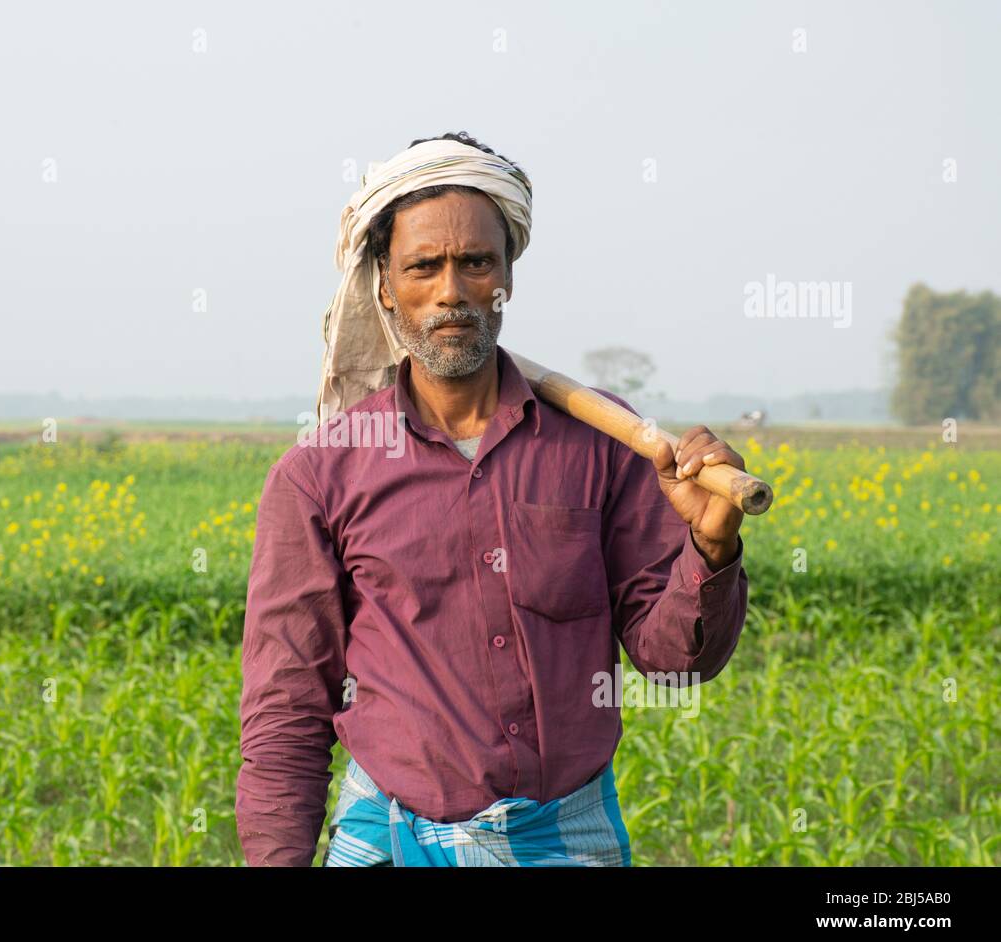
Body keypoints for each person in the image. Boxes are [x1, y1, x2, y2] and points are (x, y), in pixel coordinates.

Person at [235, 132, 749, 867]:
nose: (450, 291)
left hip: (566, 841)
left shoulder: (604, 442)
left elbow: (673, 666)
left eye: (476, 263)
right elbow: (288, 707)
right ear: (385, 285)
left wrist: (712, 547)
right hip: (391, 841)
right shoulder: (319, 474)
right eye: (424, 267)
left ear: (507, 277)